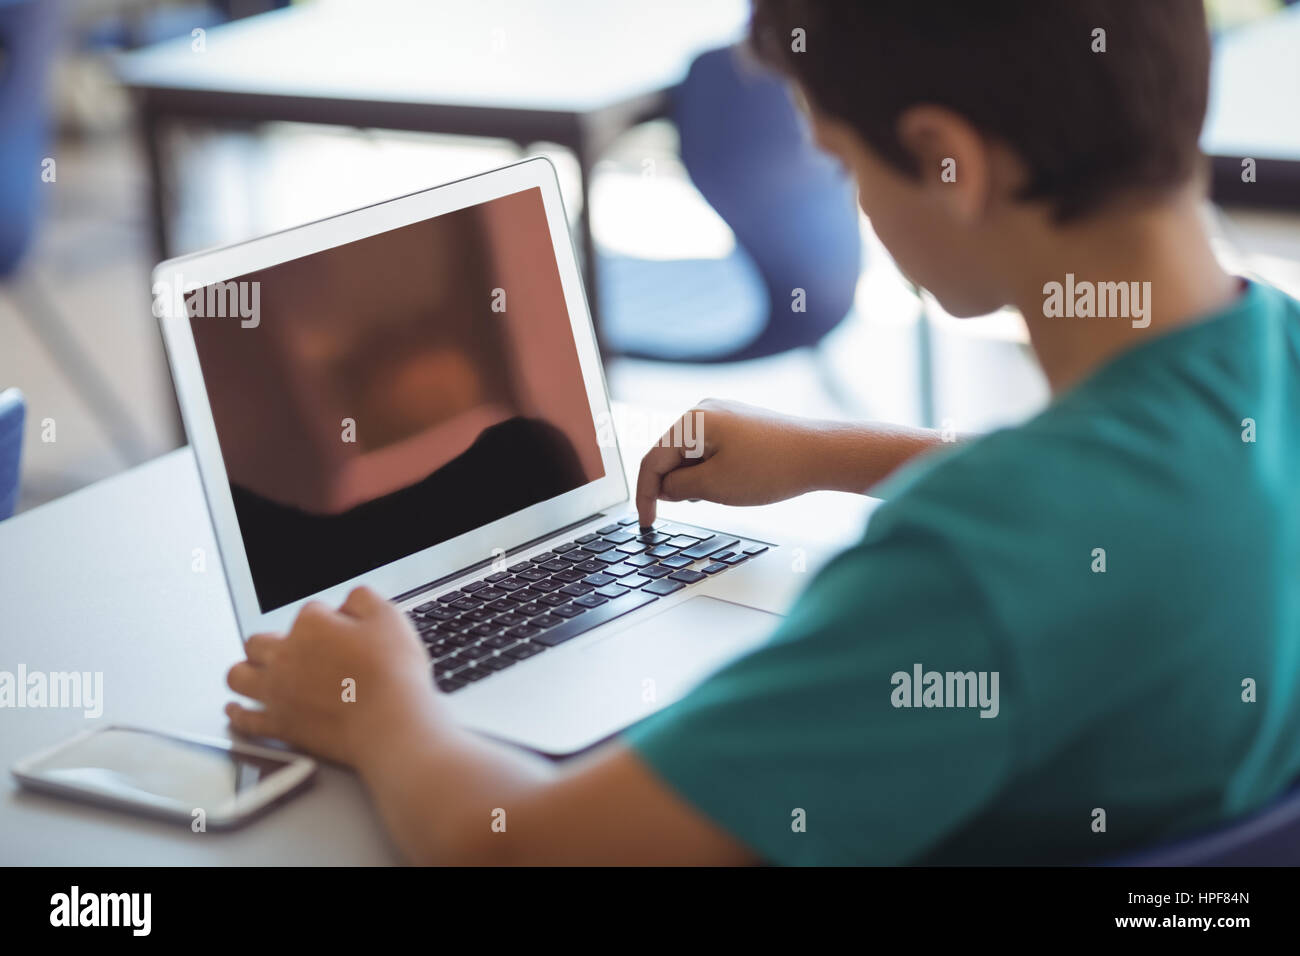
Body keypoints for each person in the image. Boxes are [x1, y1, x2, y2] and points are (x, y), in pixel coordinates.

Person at [223, 0, 1300, 864]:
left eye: (841, 165)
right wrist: (832, 456)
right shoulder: (1270, 356)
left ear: (944, 161)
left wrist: (381, 709)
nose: (856, 199)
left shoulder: (959, 577)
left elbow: (526, 845)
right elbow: (1131, 498)